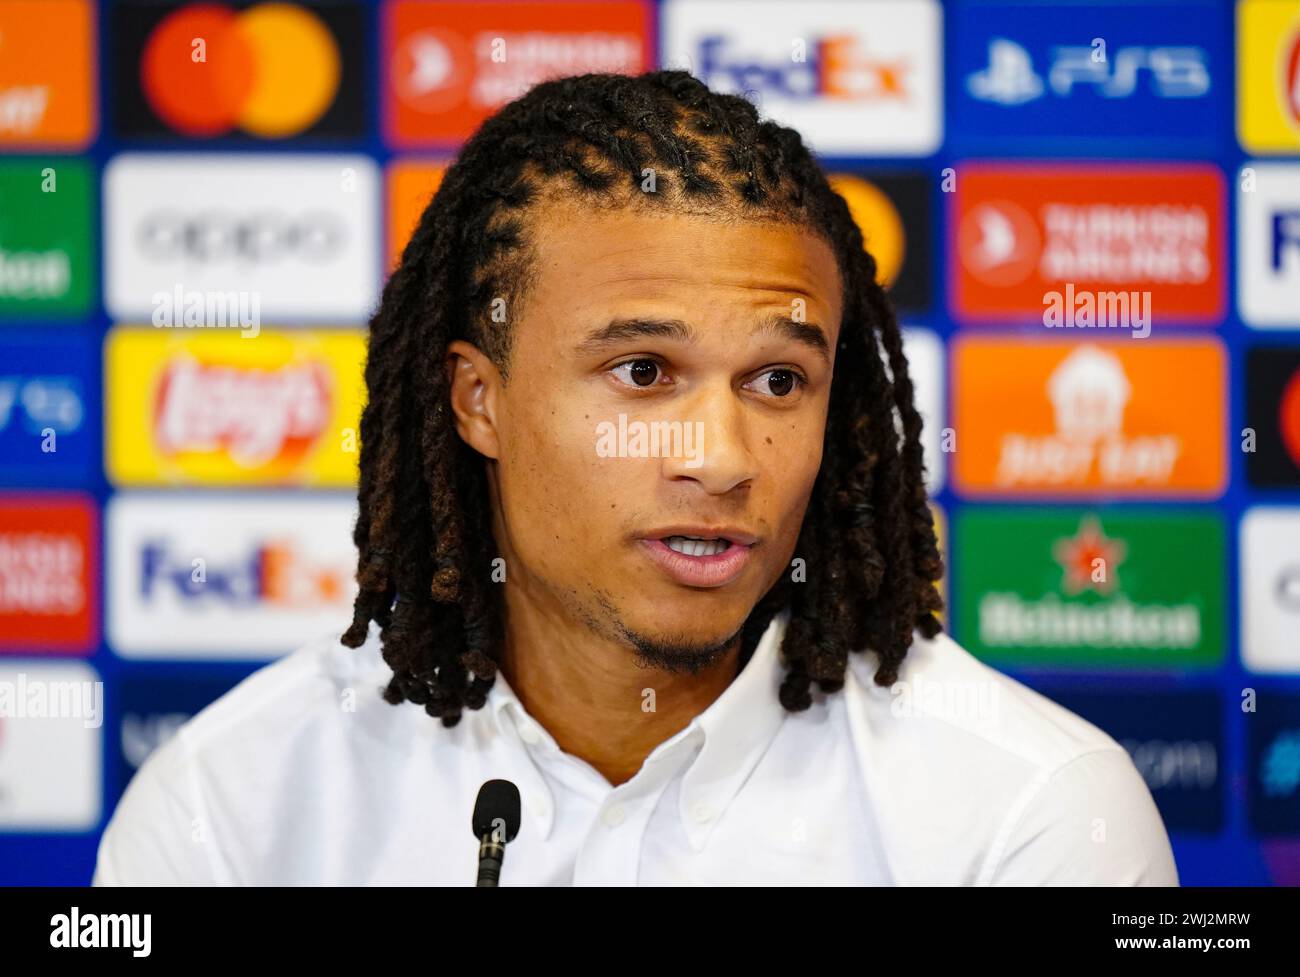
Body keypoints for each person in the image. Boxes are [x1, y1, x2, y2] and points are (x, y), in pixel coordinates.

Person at [93, 70, 1177, 885]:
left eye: (776, 379)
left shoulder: (1033, 812)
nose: (718, 456)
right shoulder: (229, 805)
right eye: (642, 371)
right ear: (477, 399)